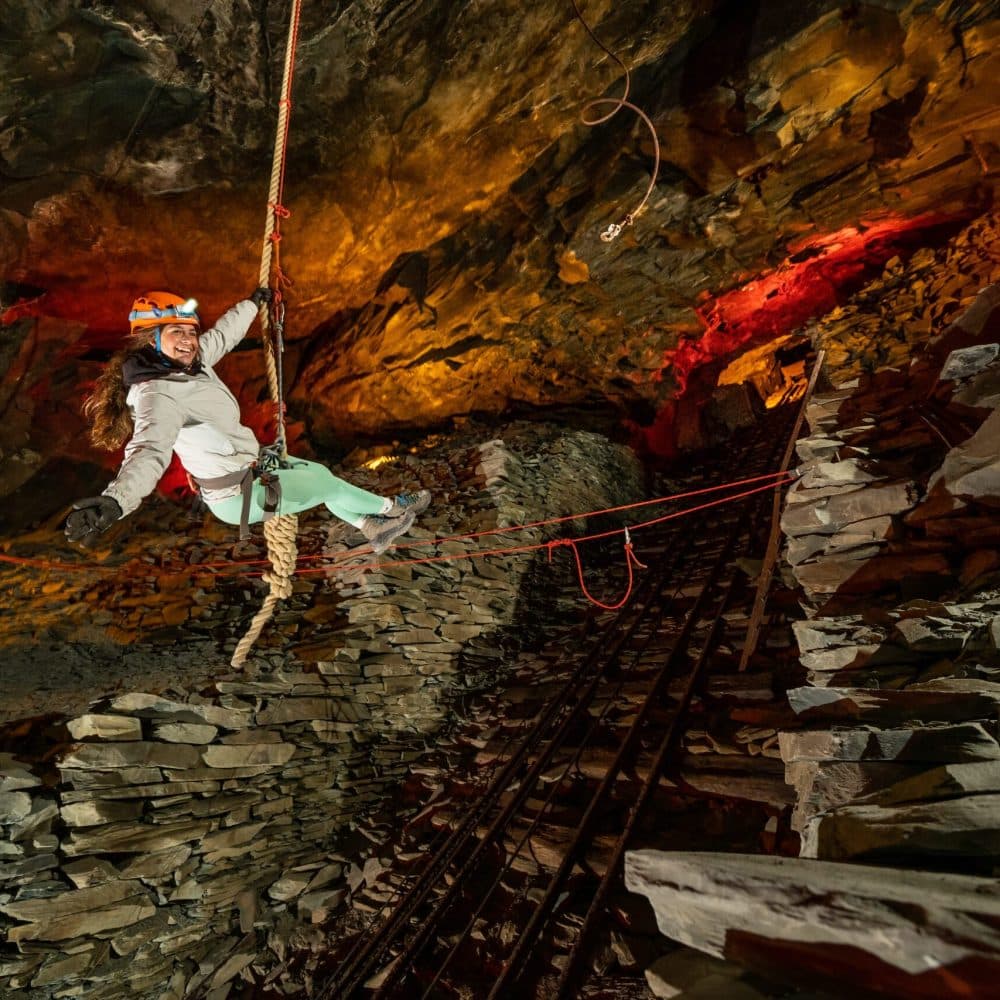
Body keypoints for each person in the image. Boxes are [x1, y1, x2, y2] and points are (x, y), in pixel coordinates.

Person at [65, 289, 430, 553]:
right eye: (177, 333)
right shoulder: (158, 394)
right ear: (151, 339)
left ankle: (370, 527)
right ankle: (392, 509)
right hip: (238, 496)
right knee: (323, 483)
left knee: (321, 478)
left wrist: (252, 304)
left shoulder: (191, 364)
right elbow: (149, 451)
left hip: (251, 471)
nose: (189, 341)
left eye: (190, 332)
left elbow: (222, 336)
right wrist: (115, 502)